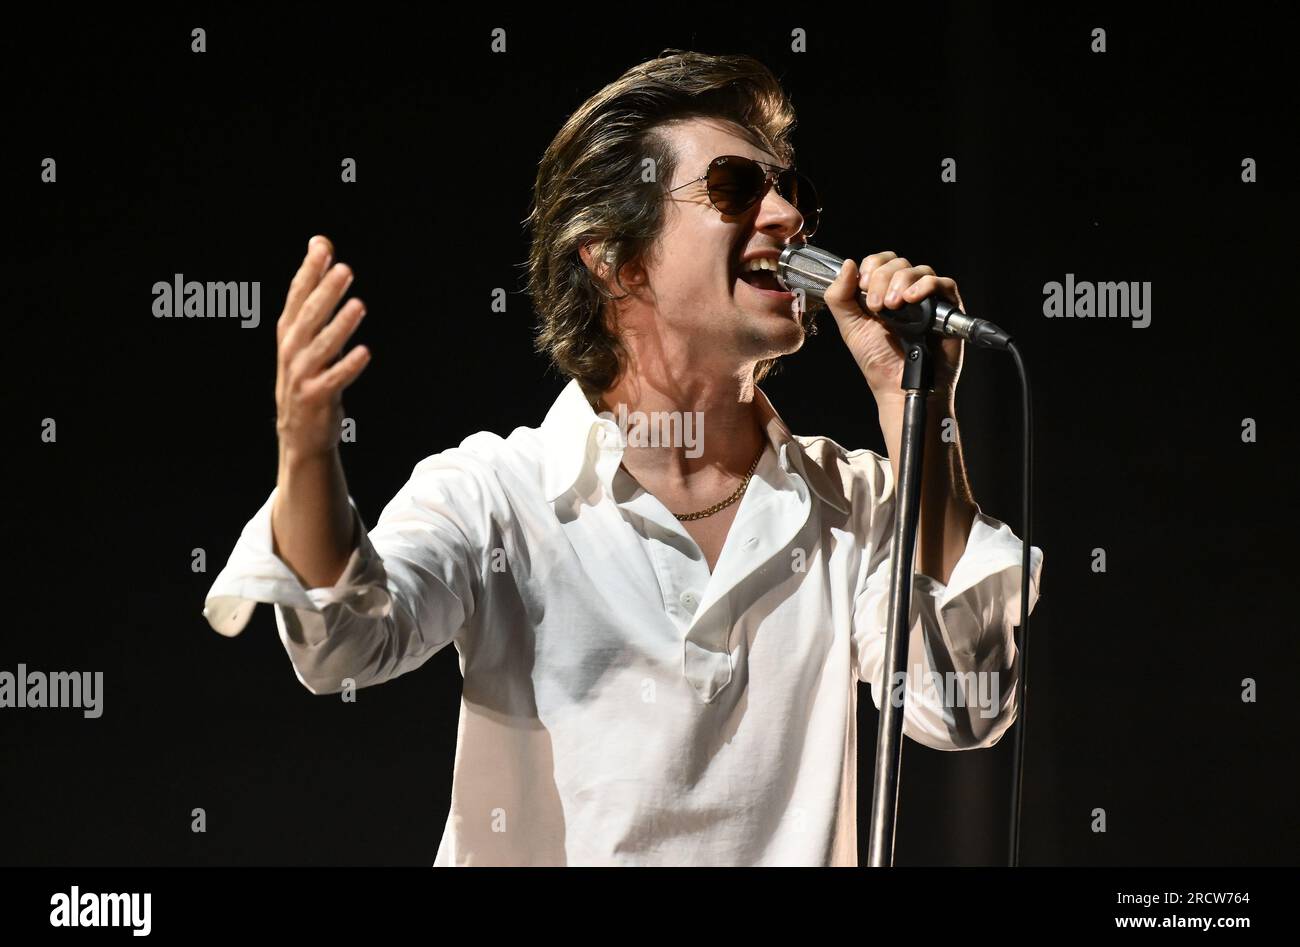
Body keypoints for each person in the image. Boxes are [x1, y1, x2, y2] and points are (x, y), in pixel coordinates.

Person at [203, 50, 1044, 866]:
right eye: (735, 188)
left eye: (794, 194)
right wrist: (306, 450)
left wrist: (911, 399)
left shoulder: (854, 502)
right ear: (614, 260)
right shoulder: (500, 495)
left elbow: (960, 707)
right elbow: (344, 644)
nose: (788, 218)